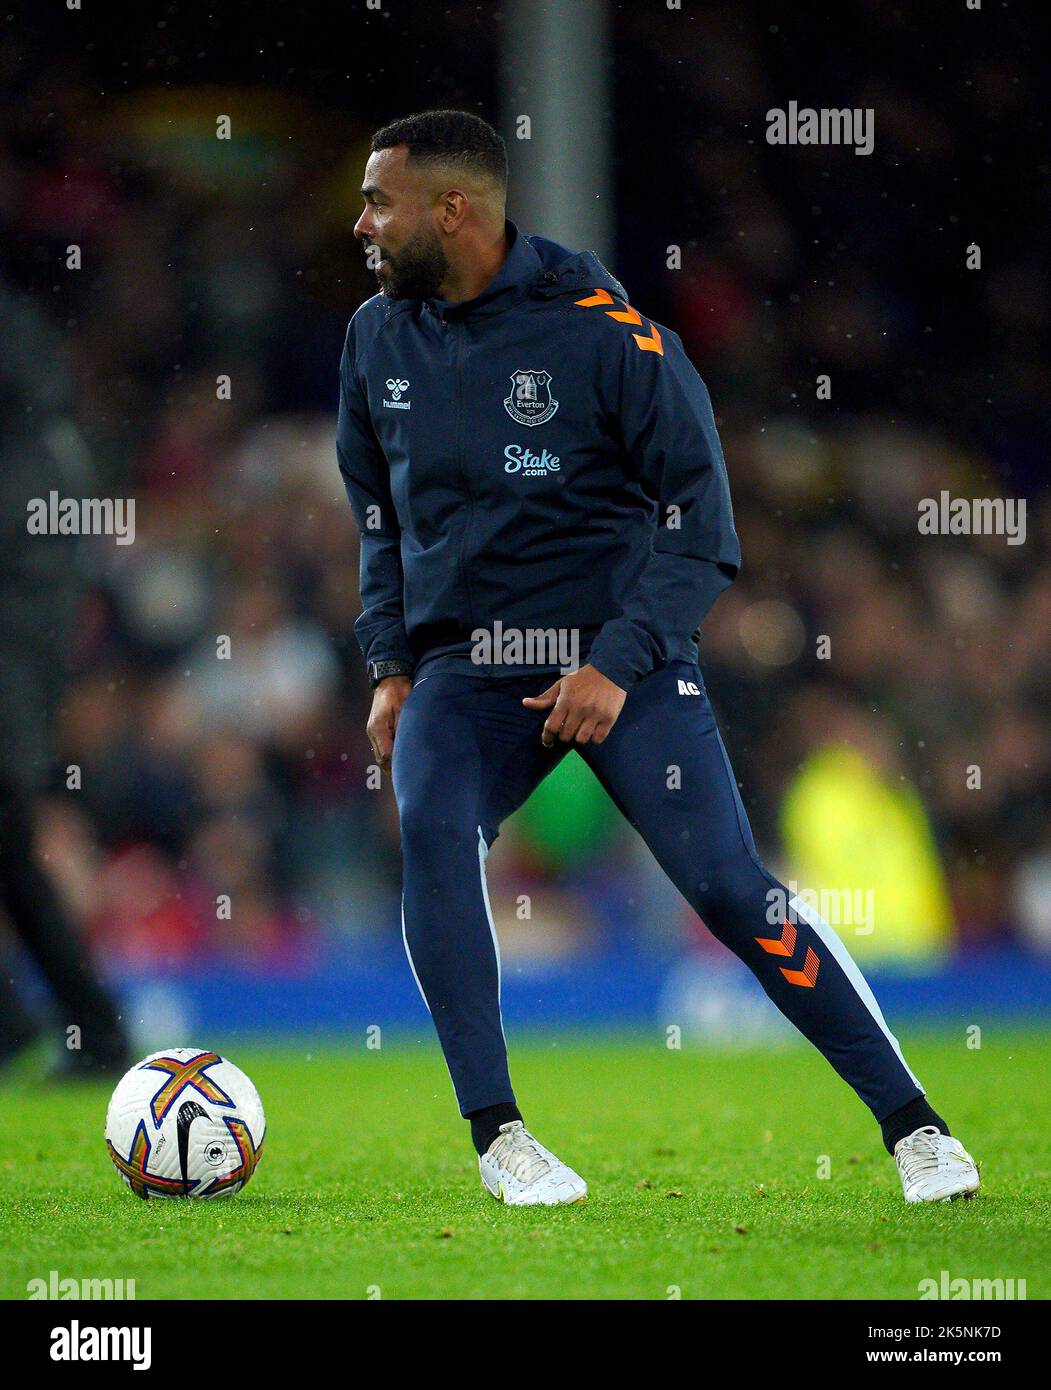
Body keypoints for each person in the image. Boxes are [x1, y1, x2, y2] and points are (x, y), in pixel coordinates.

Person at [336, 109, 978, 1206]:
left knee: (732, 890)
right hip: (470, 670)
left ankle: (914, 1126)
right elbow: (377, 517)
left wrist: (617, 664)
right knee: (434, 829)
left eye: (379, 201)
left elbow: (701, 523)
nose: (360, 224)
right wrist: (392, 663)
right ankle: (501, 1141)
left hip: (620, 662)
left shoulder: (605, 334)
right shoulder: (373, 337)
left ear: (455, 210)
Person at [0, 283, 129, 1079]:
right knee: (9, 842)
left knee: (9, 832)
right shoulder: (47, 447)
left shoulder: (27, 462)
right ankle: (73, 1024)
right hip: (22, 664)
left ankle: (69, 1024)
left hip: (12, 662)